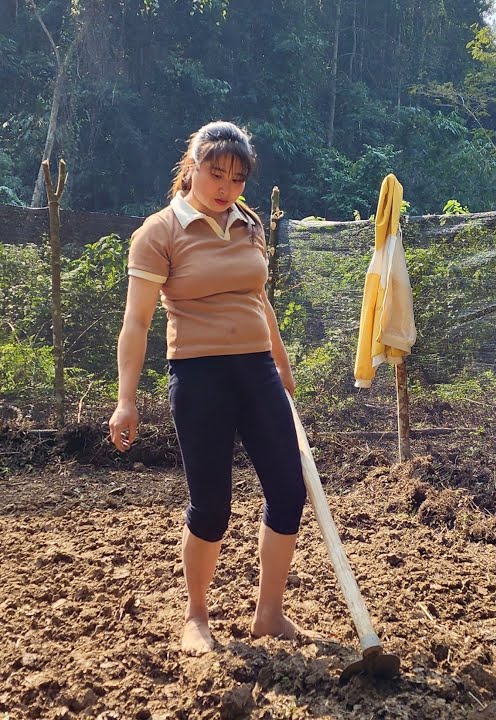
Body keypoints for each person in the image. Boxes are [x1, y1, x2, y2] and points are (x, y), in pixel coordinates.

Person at [108, 121, 306, 656]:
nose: (226, 188)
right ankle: (196, 615)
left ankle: (269, 614)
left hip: (257, 369)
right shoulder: (160, 232)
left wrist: (282, 369)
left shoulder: (249, 223)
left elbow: (258, 299)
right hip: (200, 377)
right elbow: (137, 322)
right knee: (212, 504)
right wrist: (126, 400)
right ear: (191, 166)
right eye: (216, 173)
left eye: (238, 179)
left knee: (289, 491)